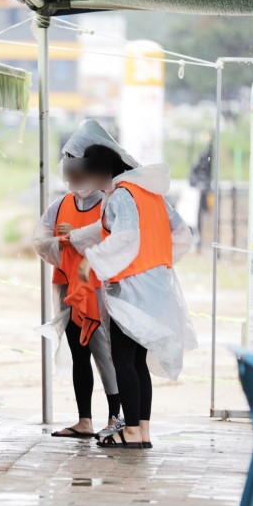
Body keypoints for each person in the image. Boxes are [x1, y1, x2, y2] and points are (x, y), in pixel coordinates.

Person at [72, 132, 197, 450]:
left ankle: (128, 431)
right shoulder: (150, 194)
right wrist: (157, 264)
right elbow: (182, 233)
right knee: (138, 361)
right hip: (156, 287)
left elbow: (126, 236)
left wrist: (93, 261)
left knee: (124, 359)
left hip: (130, 288)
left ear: (102, 172)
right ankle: (141, 430)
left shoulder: (123, 195)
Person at [34, 123, 121, 440]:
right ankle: (84, 419)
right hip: (70, 289)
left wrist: (76, 240)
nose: (74, 179)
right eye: (70, 171)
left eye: (79, 171)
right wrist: (60, 245)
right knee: (78, 351)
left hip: (101, 290)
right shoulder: (59, 206)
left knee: (107, 354)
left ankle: (116, 417)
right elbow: (41, 242)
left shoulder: (111, 204)